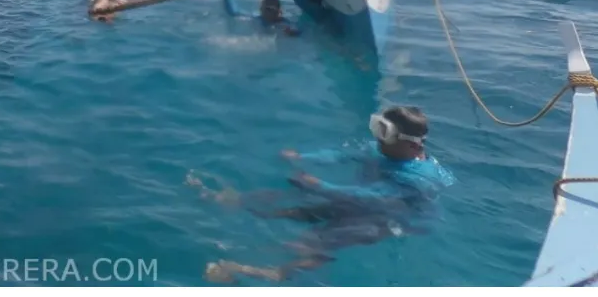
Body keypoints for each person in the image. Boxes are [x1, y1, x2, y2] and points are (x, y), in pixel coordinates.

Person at [189, 105, 454, 283]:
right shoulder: (383, 149)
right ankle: (240, 204)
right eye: (378, 128)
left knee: (313, 243)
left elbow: (372, 195)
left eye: (385, 133)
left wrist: (320, 186)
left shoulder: (419, 179)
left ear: (410, 145)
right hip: (362, 203)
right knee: (299, 211)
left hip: (395, 220)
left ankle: (273, 274)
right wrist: (303, 157)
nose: (378, 138)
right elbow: (342, 154)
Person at [223, 0, 302, 36]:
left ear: (278, 12)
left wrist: (293, 33)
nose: (268, 13)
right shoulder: (256, 19)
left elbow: (298, 31)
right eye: (266, 9)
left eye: (271, 10)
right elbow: (233, 12)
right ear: (261, 10)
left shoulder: (283, 23)